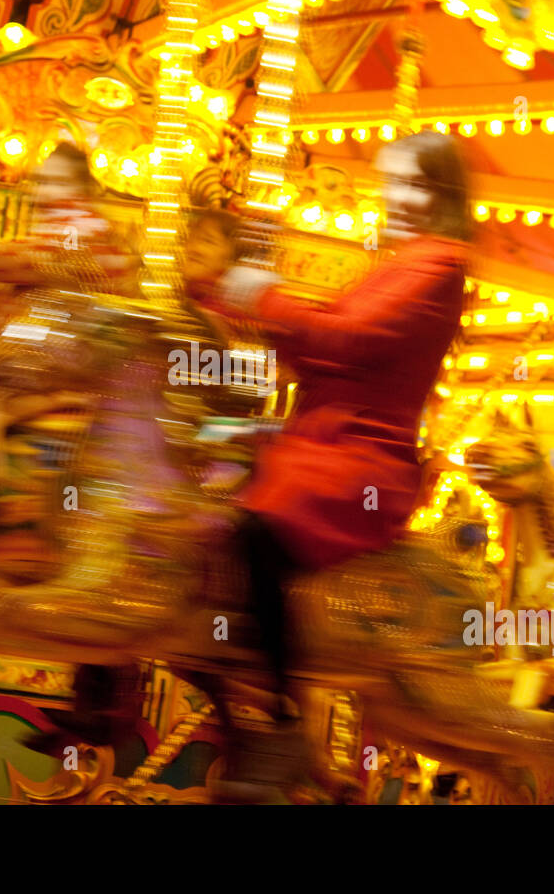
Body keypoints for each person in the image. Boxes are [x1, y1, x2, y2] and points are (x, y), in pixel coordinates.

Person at [190, 131, 472, 732]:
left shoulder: (440, 266)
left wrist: (265, 299)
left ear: (444, 193)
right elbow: (323, 346)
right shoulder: (398, 265)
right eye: (391, 182)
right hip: (317, 437)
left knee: (254, 529)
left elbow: (349, 341)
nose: (396, 197)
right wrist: (241, 311)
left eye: (414, 185)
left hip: (359, 456)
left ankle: (280, 711)